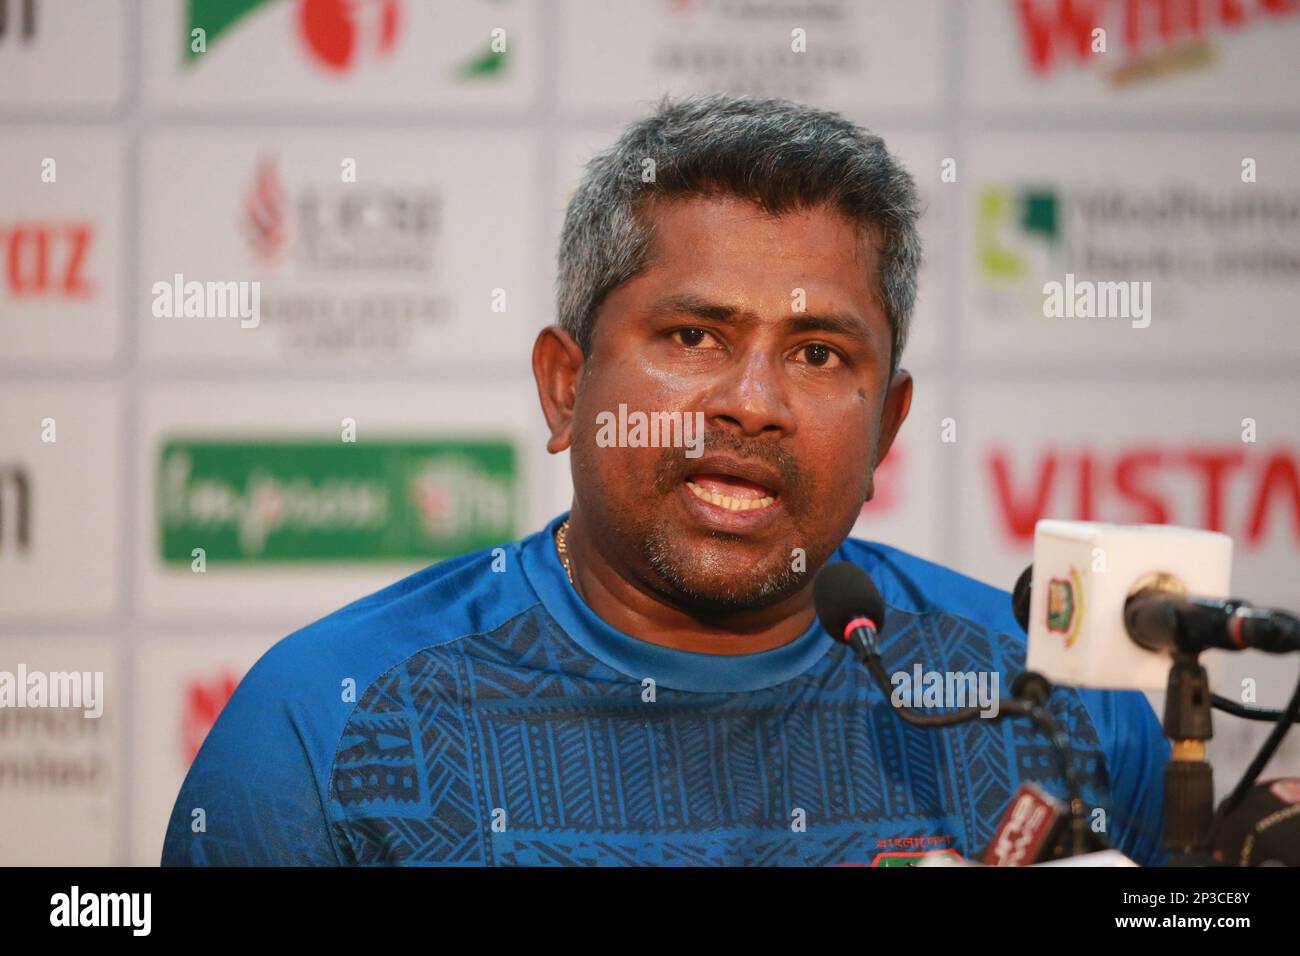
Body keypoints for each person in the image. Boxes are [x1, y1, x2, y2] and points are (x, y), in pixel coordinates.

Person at [163, 93, 1168, 866]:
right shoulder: (333, 718)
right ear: (565, 387)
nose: (752, 401)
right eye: (694, 336)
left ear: (886, 426)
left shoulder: (1058, 709)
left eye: (818, 353)